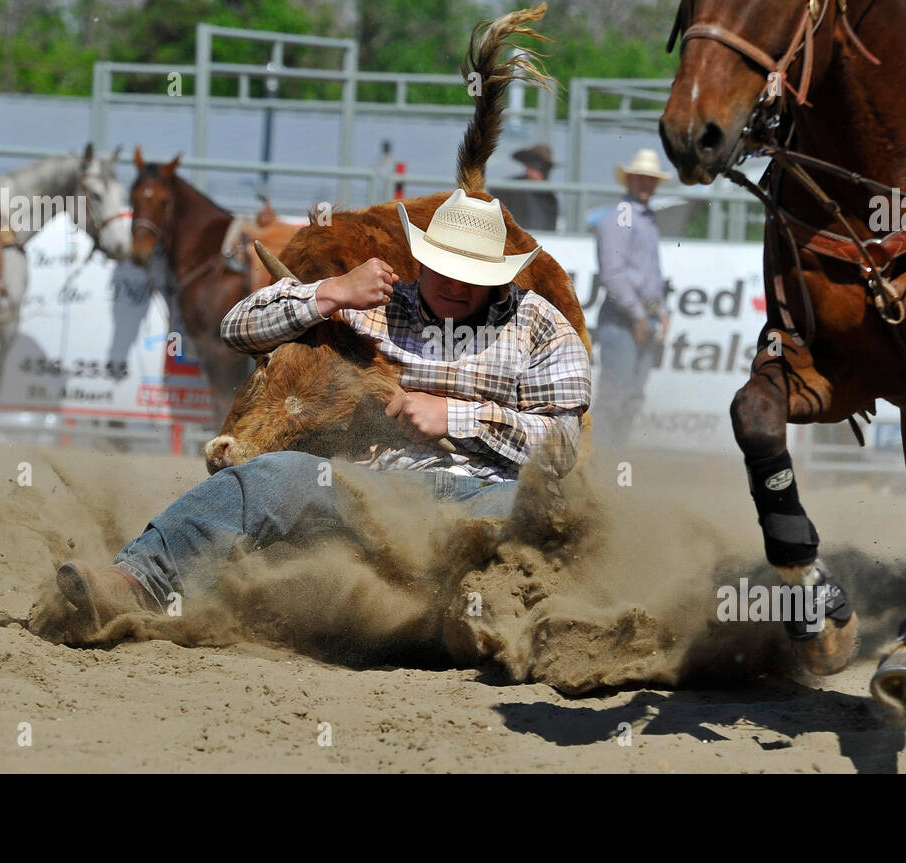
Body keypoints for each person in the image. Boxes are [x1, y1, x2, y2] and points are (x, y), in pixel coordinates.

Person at [52, 188, 592, 629]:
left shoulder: (540, 325)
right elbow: (237, 329)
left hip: (493, 492)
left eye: (469, 272)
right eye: (441, 265)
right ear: (420, 259)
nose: (452, 283)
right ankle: (133, 582)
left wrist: (456, 417)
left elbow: (564, 443)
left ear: (496, 276)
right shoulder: (376, 306)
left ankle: (511, 625)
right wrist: (328, 293)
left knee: (543, 525)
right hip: (379, 490)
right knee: (268, 478)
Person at [592, 148, 672, 450]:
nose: (646, 184)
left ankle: (610, 459)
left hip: (638, 316)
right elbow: (612, 274)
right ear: (630, 179)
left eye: (650, 179)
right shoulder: (617, 219)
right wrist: (639, 314)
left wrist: (660, 309)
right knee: (616, 395)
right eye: (641, 178)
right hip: (624, 319)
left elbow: (650, 271)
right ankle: (599, 461)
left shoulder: (643, 219)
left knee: (631, 396)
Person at [489, 144, 559, 231]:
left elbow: (551, 230)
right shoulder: (510, 188)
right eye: (531, 166)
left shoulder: (549, 198)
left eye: (539, 167)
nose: (532, 170)